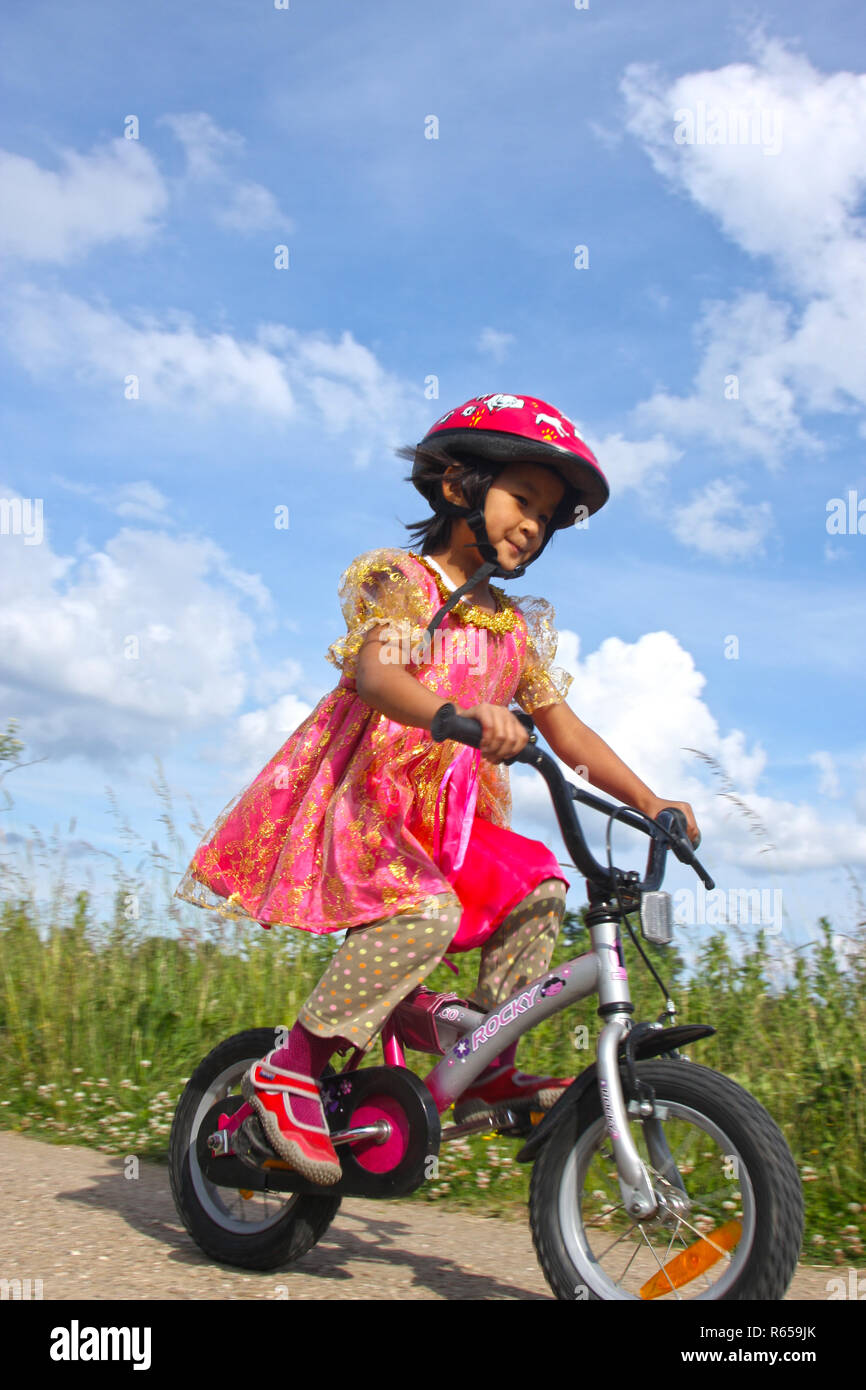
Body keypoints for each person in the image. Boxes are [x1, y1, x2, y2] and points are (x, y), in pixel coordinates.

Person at [174, 392, 699, 1185]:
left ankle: (486, 1058)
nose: (534, 525)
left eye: (549, 516)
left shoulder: (514, 629)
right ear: (461, 488)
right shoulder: (406, 584)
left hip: (448, 828)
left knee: (542, 887)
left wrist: (650, 802)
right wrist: (454, 714)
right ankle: (292, 1068)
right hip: (368, 809)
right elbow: (376, 674)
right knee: (425, 912)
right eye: (523, 499)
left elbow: (570, 736)